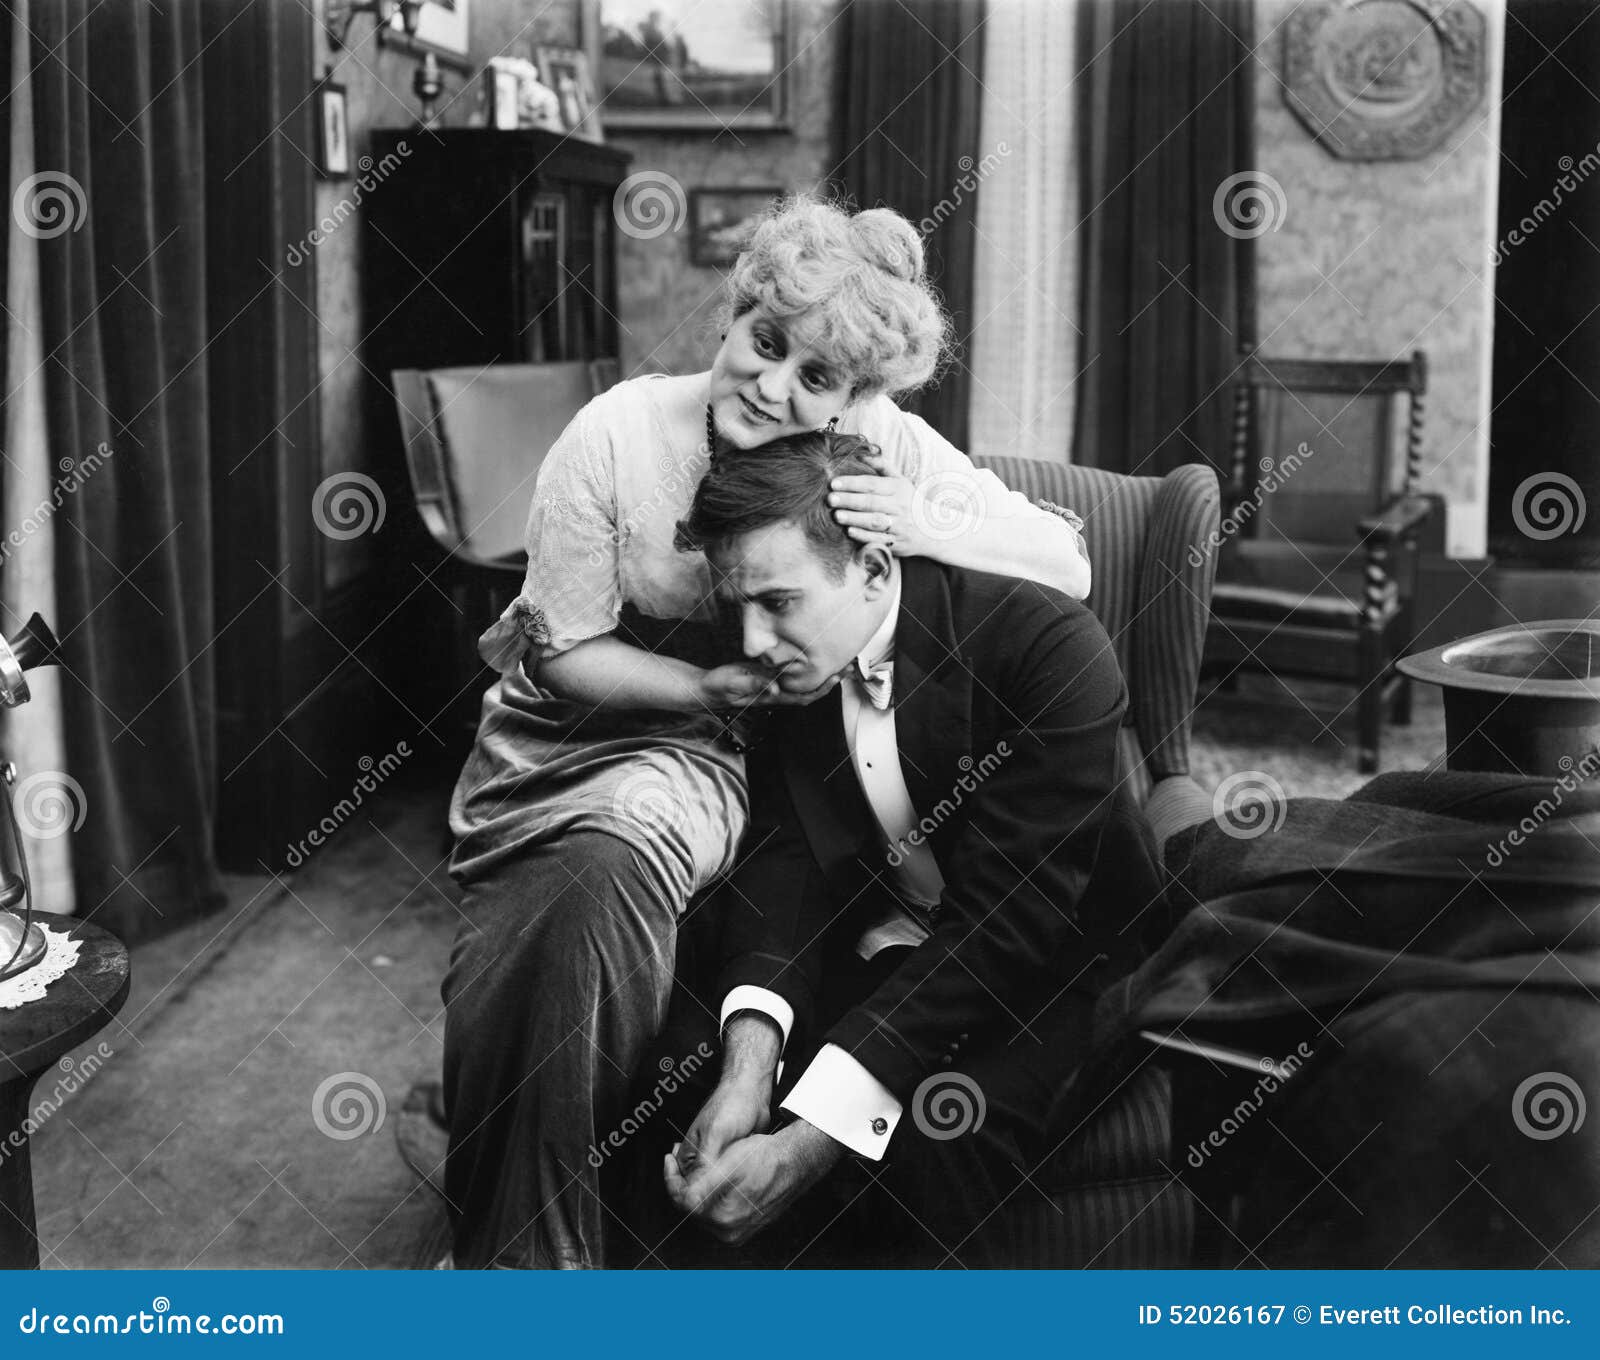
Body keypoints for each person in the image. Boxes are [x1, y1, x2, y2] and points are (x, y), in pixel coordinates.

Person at [441, 195, 1092, 1270]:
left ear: (857, 396)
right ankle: (524, 1218)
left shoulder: (870, 440)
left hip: (741, 743)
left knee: (622, 871)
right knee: (557, 908)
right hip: (583, 724)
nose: (775, 387)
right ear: (734, 315)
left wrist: (921, 522)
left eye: (818, 379)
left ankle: (561, 1232)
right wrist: (712, 689)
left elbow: (1064, 564)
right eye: (766, 341)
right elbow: (556, 651)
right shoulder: (614, 433)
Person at [616, 429, 1156, 1267]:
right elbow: (786, 864)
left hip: (1063, 968)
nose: (752, 644)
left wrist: (814, 1140)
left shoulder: (1050, 647)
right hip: (892, 936)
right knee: (681, 1076)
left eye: (779, 602)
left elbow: (1007, 925)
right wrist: (749, 1067)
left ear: (873, 567)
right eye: (738, 609)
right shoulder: (797, 666)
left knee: (939, 1134)